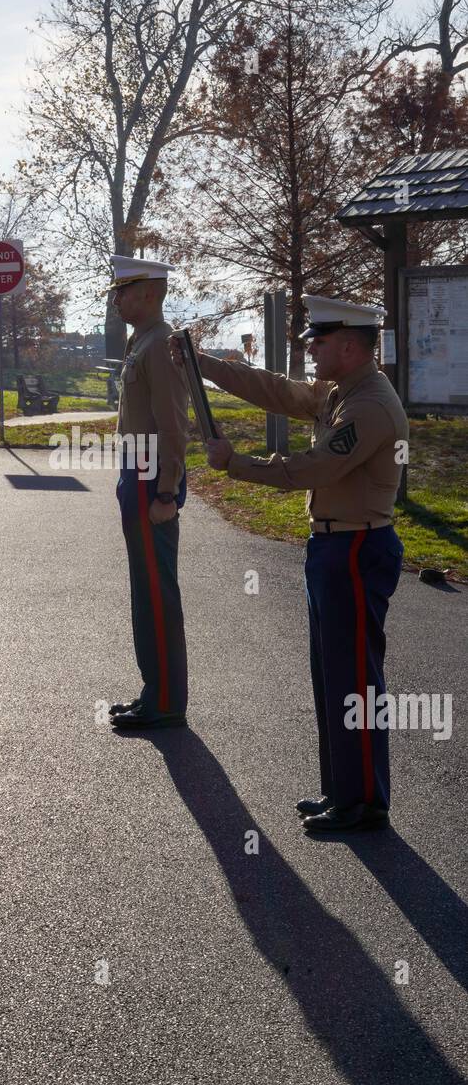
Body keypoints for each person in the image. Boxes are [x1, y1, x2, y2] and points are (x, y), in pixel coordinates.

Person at [171, 295, 409, 831]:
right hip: (335, 546)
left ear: (349, 346)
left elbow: (315, 468)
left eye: (318, 342)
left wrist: (237, 465)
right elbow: (273, 391)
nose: (311, 349)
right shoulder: (342, 391)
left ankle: (363, 799)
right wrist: (203, 365)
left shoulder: (367, 405)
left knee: (353, 678)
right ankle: (343, 790)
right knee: (333, 673)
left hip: (354, 549)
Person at [108, 255, 190, 732]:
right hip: (135, 470)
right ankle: (154, 691)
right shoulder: (143, 342)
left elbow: (173, 423)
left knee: (158, 591)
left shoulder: (161, 345)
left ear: (148, 294)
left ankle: (165, 700)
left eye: (123, 291)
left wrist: (167, 490)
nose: (117, 300)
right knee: (146, 588)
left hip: (150, 474)